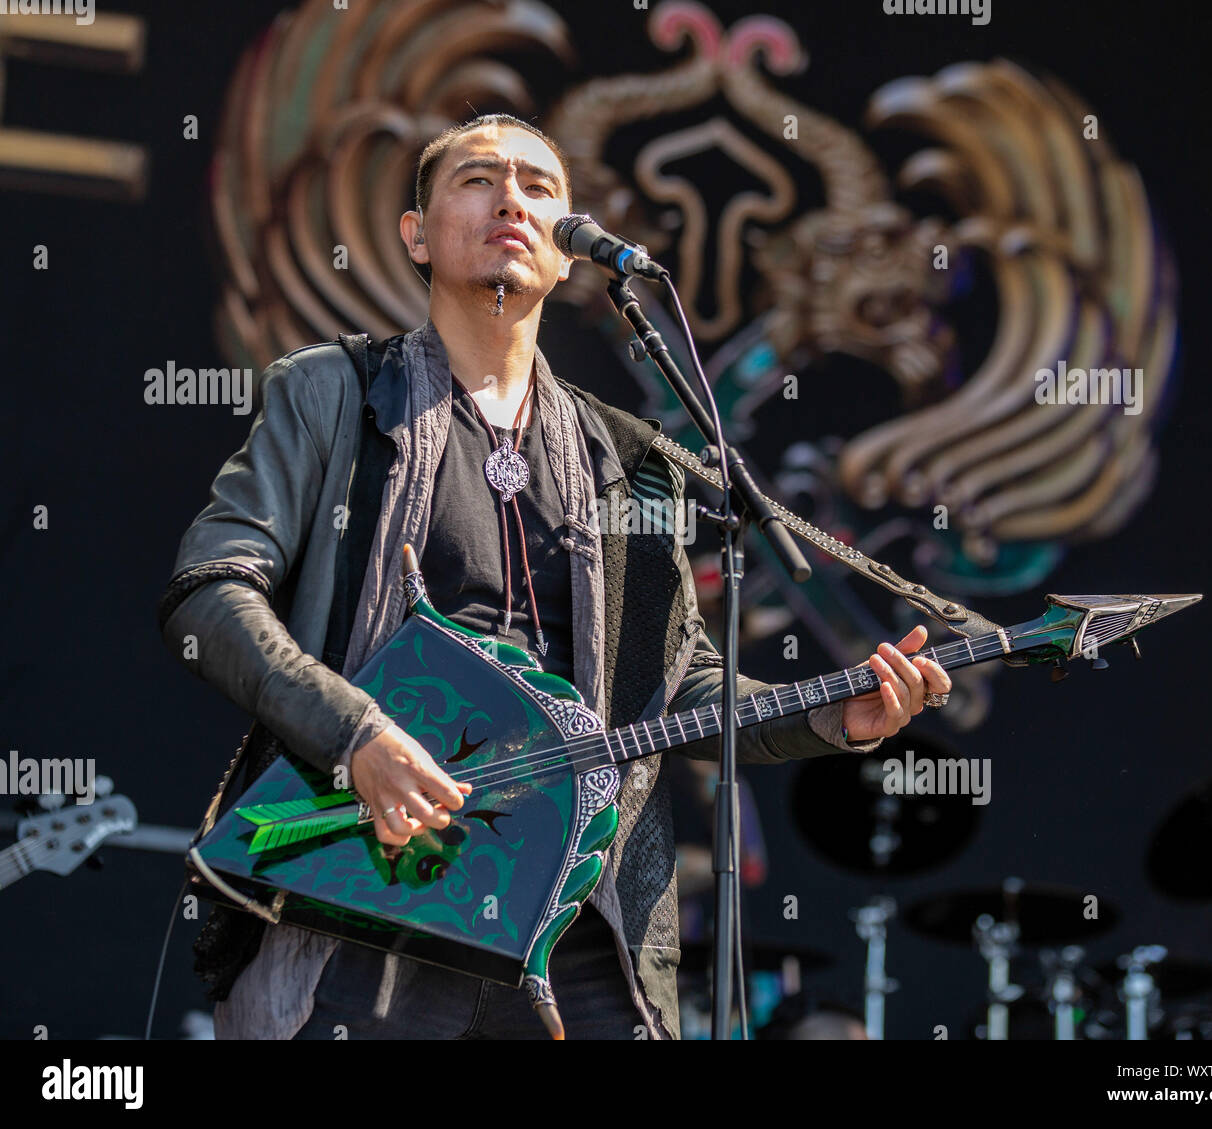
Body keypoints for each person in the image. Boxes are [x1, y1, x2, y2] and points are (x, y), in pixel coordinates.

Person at [157, 113, 952, 1040]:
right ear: (416, 235)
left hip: (569, 914)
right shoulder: (331, 392)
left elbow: (674, 683)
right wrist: (356, 735)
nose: (512, 200)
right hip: (372, 894)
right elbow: (210, 589)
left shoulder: (629, 455)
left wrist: (831, 716)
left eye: (539, 186)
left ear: (571, 255)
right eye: (478, 179)